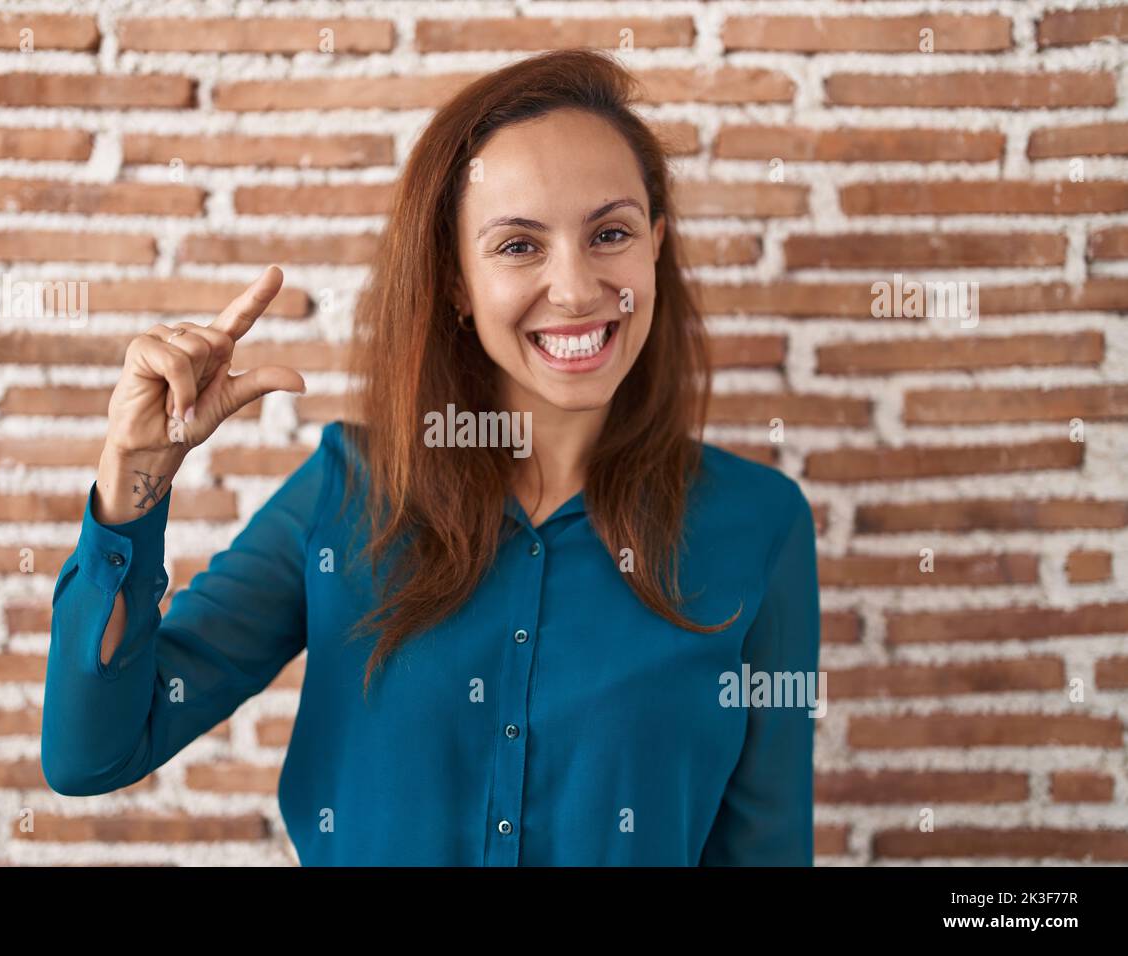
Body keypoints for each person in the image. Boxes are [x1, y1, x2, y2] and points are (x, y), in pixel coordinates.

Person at [41, 47, 821, 866]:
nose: (575, 288)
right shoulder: (347, 491)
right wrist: (134, 478)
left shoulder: (759, 525)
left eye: (611, 234)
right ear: (455, 282)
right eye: (518, 246)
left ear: (654, 245)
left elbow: (766, 849)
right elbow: (92, 754)